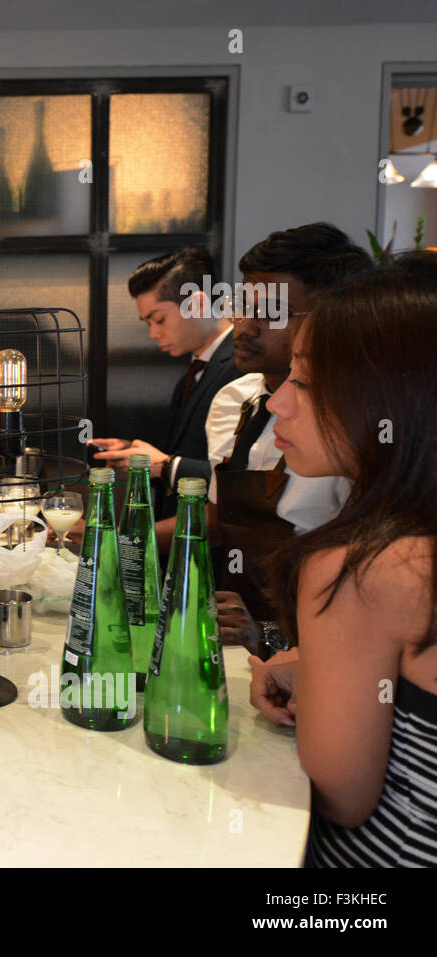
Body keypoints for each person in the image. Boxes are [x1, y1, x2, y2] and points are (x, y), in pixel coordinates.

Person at [249, 255, 437, 867]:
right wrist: (328, 671)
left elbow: (341, 796)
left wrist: (324, 685)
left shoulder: (367, 568)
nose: (279, 402)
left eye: (304, 380)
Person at [203, 224, 373, 627]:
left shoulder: (356, 435)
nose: (243, 327)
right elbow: (219, 520)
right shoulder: (236, 399)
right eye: (242, 305)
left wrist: (274, 638)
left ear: (333, 319)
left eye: (272, 313)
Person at [90, 247, 242, 517]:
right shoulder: (193, 373)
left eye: (159, 319)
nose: (153, 333)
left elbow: (243, 479)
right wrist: (134, 455)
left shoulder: (243, 368)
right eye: (148, 322)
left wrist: (165, 466)